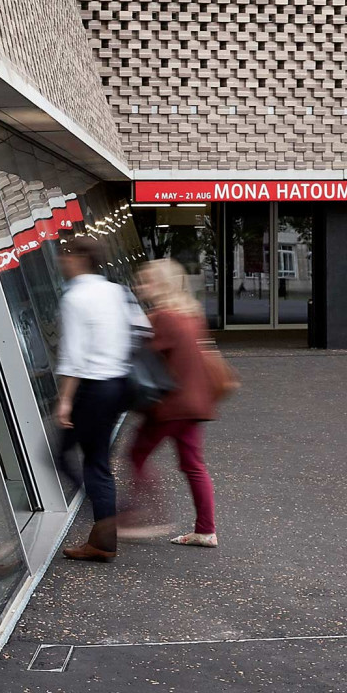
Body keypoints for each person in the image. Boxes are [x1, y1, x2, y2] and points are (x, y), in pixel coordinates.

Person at [129, 259, 221, 546]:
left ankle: (150, 517)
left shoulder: (163, 318)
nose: (139, 286)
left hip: (169, 406)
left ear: (163, 284)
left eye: (146, 281)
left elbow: (138, 358)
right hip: (195, 403)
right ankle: (205, 530)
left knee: (136, 456)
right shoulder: (191, 314)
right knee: (193, 465)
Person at [55, 235, 135, 562]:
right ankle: (105, 529)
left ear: (78, 259)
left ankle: (107, 526)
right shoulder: (116, 291)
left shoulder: (75, 297)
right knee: (96, 460)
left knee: (65, 455)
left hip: (91, 388)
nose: (61, 261)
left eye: (64, 256)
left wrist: (64, 400)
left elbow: (73, 356)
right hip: (117, 385)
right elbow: (137, 330)